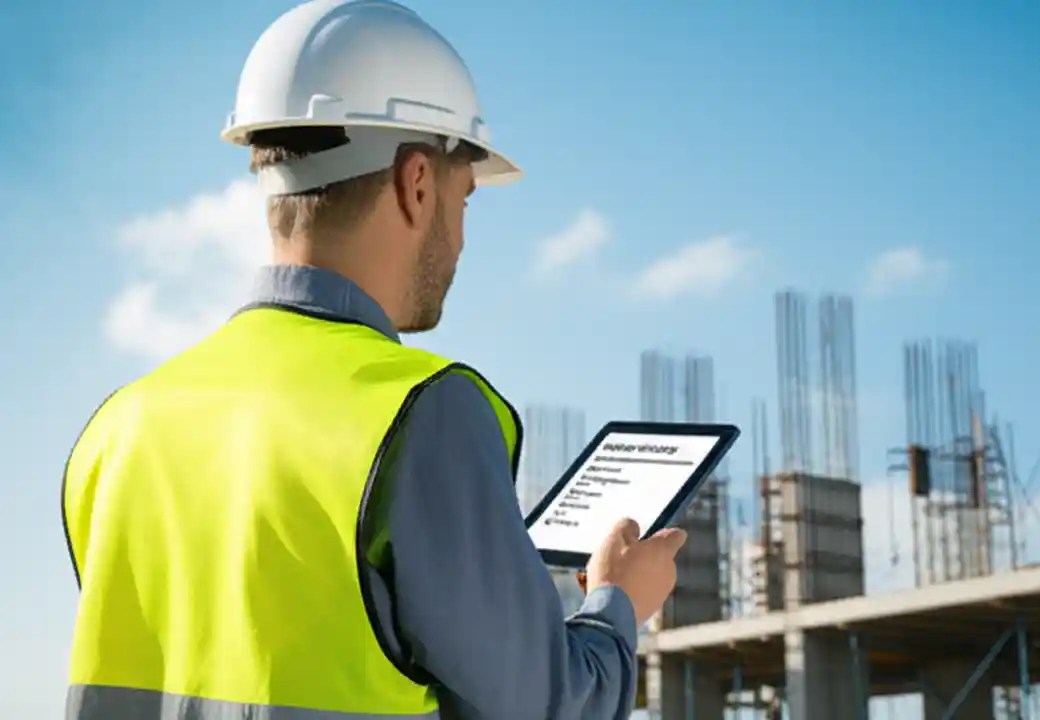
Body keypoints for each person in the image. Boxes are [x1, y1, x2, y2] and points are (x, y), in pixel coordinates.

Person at [59, 1, 688, 718]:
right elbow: (549, 706)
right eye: (465, 198)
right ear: (417, 183)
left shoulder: (122, 424)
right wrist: (617, 604)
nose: (460, 238)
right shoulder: (422, 413)